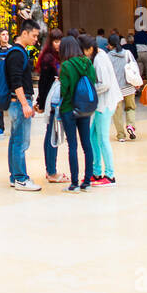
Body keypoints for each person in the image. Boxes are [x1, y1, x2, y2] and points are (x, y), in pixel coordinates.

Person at [57, 35, 97, 192]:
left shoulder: (66, 66)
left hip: (69, 109)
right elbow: (92, 81)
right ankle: (87, 181)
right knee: (87, 144)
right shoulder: (87, 62)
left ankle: (74, 183)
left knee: (72, 145)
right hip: (85, 108)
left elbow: (64, 90)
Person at [4, 20, 40, 191]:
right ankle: (20, 178)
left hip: (18, 102)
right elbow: (16, 81)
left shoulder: (17, 52)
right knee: (20, 141)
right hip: (19, 102)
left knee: (15, 139)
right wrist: (25, 104)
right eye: (34, 35)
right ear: (24, 33)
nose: (35, 39)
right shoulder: (17, 53)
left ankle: (14, 176)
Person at [91, 33, 122, 185]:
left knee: (102, 139)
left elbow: (104, 83)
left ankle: (110, 174)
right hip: (102, 103)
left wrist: (89, 89)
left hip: (105, 103)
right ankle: (96, 171)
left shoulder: (99, 59)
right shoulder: (99, 56)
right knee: (93, 136)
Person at [36, 29, 66, 182]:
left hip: (54, 101)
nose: (58, 44)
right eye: (55, 41)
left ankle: (50, 170)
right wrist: (41, 103)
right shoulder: (49, 58)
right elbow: (43, 83)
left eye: (60, 40)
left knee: (51, 134)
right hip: (52, 102)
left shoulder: (56, 57)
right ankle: (51, 171)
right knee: (52, 135)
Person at [106, 34, 140, 141]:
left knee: (117, 113)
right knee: (131, 108)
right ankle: (130, 125)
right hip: (129, 87)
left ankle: (121, 135)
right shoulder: (127, 53)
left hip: (116, 90)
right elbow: (134, 67)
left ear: (110, 45)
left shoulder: (108, 57)